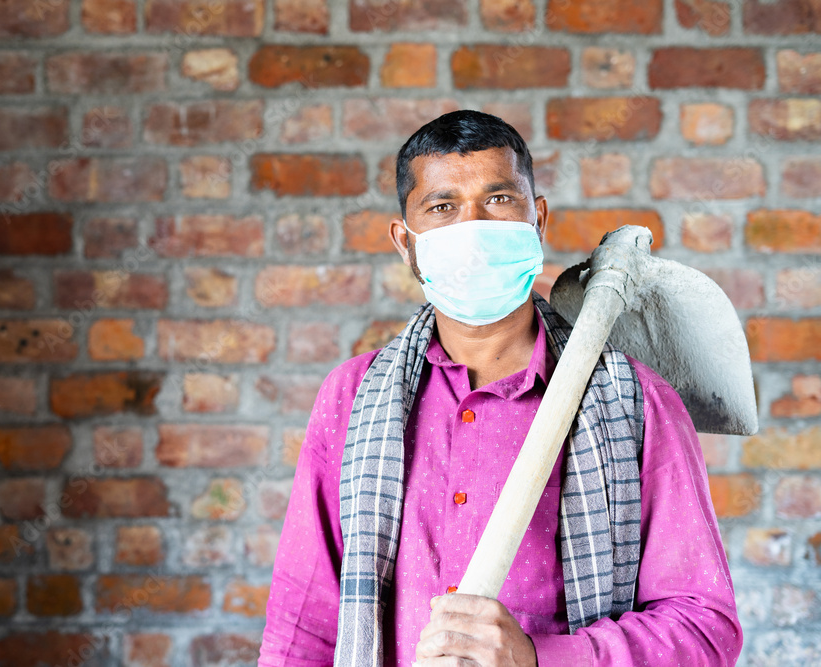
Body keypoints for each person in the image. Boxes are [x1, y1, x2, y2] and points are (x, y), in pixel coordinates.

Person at [258, 110, 741, 666]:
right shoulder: (350, 398)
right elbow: (302, 632)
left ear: (537, 219)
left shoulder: (637, 403)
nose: (472, 226)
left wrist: (541, 658)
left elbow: (705, 630)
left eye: (498, 200)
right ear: (404, 241)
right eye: (442, 207)